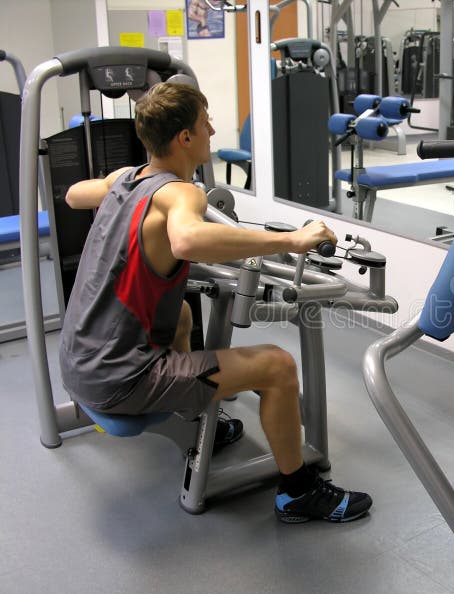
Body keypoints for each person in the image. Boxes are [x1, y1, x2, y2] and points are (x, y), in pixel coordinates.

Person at [59, 82, 372, 524]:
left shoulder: (125, 179)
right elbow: (186, 238)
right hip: (118, 378)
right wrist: (294, 239)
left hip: (77, 364)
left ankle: (196, 414)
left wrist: (114, 197)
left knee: (182, 315)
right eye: (204, 120)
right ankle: (298, 493)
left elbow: (74, 194)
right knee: (277, 366)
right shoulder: (182, 194)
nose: (212, 127)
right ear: (184, 138)